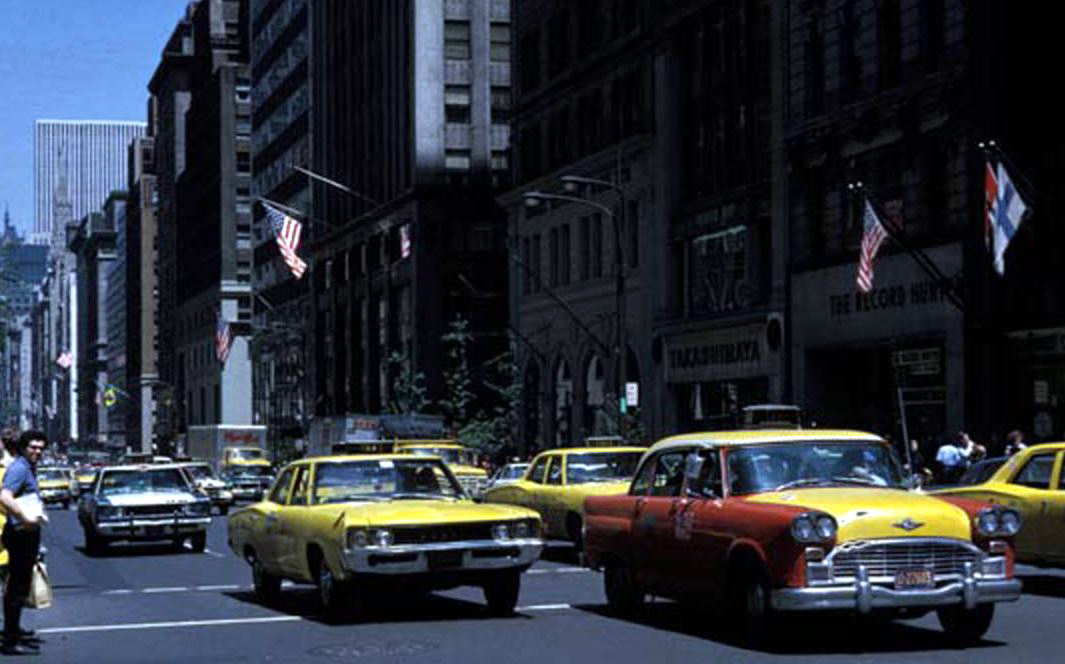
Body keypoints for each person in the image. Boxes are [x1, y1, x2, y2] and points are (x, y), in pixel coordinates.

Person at [0, 430, 48, 655]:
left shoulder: (28, 467)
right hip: (19, 533)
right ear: (23, 447)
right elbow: (4, 496)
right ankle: (10, 640)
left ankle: (14, 631)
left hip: (25, 533)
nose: (37, 451)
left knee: (20, 585)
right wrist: (25, 517)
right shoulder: (19, 468)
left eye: (40, 448)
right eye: (33, 447)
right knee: (16, 588)